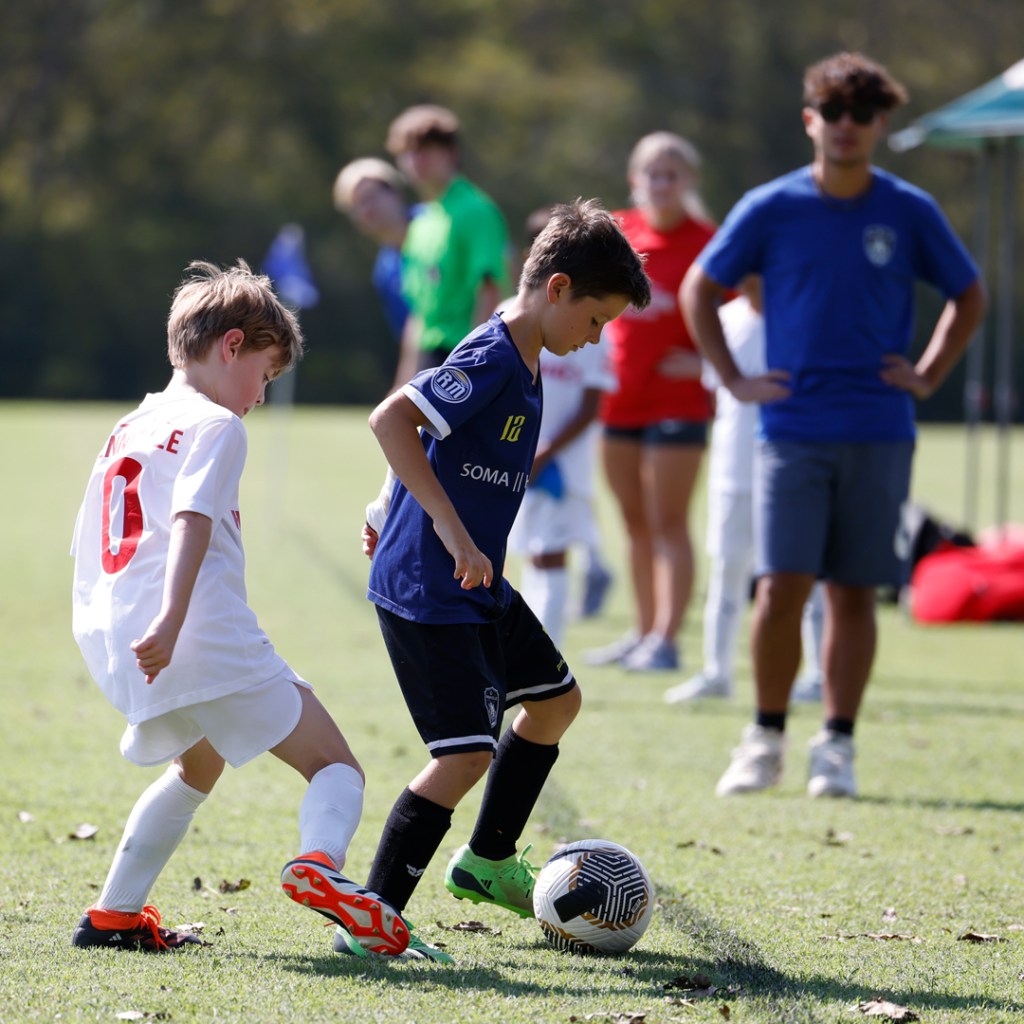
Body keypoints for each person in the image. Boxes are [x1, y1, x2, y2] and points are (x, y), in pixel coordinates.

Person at [69, 261, 410, 958]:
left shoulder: (128, 425)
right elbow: (192, 518)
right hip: (193, 632)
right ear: (231, 346)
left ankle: (113, 916)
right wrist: (170, 621)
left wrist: (141, 627)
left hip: (116, 638)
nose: (258, 395)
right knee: (335, 766)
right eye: (264, 373)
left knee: (197, 767)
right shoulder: (216, 426)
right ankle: (319, 864)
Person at [681, 52, 986, 798]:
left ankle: (838, 746)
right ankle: (765, 737)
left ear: (880, 124)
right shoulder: (771, 206)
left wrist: (929, 372)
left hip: (880, 427)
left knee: (853, 592)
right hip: (790, 429)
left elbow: (968, 294)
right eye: (833, 112)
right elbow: (699, 287)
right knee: (781, 586)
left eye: (862, 114)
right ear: (811, 119)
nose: (846, 127)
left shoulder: (908, 209)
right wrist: (732, 377)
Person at [358, 199, 651, 963]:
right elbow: (393, 420)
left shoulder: (528, 360)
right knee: (462, 756)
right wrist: (447, 531)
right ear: (558, 289)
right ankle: (370, 920)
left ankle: (487, 862)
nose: (596, 337)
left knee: (556, 703)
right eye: (597, 320)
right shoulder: (493, 355)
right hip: (433, 585)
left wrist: (384, 502)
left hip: (473, 583)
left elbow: (433, 444)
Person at [584, 132, 715, 673]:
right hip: (619, 401)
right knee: (634, 521)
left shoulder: (710, 241)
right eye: (651, 174)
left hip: (679, 403)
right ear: (635, 179)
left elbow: (749, 313)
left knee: (668, 521)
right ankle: (640, 633)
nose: (661, 184)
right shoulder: (615, 232)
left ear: (689, 182)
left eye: (672, 174)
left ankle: (666, 639)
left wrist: (707, 365)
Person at [664, 278, 825, 704]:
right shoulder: (722, 319)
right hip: (732, 471)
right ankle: (717, 673)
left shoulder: (801, 320)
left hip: (790, 470)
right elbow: (720, 394)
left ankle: (818, 675)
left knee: (806, 577)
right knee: (727, 573)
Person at [508, 207, 617, 643]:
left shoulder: (589, 322)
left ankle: (546, 659)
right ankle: (527, 658)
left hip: (562, 467)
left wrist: (547, 450)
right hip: (513, 461)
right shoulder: (507, 316)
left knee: (550, 556)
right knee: (527, 558)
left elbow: (592, 403)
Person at [384, 104, 510, 390]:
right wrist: (401, 385)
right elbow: (420, 314)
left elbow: (489, 290)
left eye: (425, 149)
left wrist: (470, 367)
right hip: (432, 358)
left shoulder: (475, 210)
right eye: (407, 151)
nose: (415, 160)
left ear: (452, 153)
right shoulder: (421, 222)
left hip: (465, 357)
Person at [332, 157, 417, 345]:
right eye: (356, 205)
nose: (366, 210)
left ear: (395, 192)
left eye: (371, 197)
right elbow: (410, 337)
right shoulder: (384, 272)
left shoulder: (439, 223)